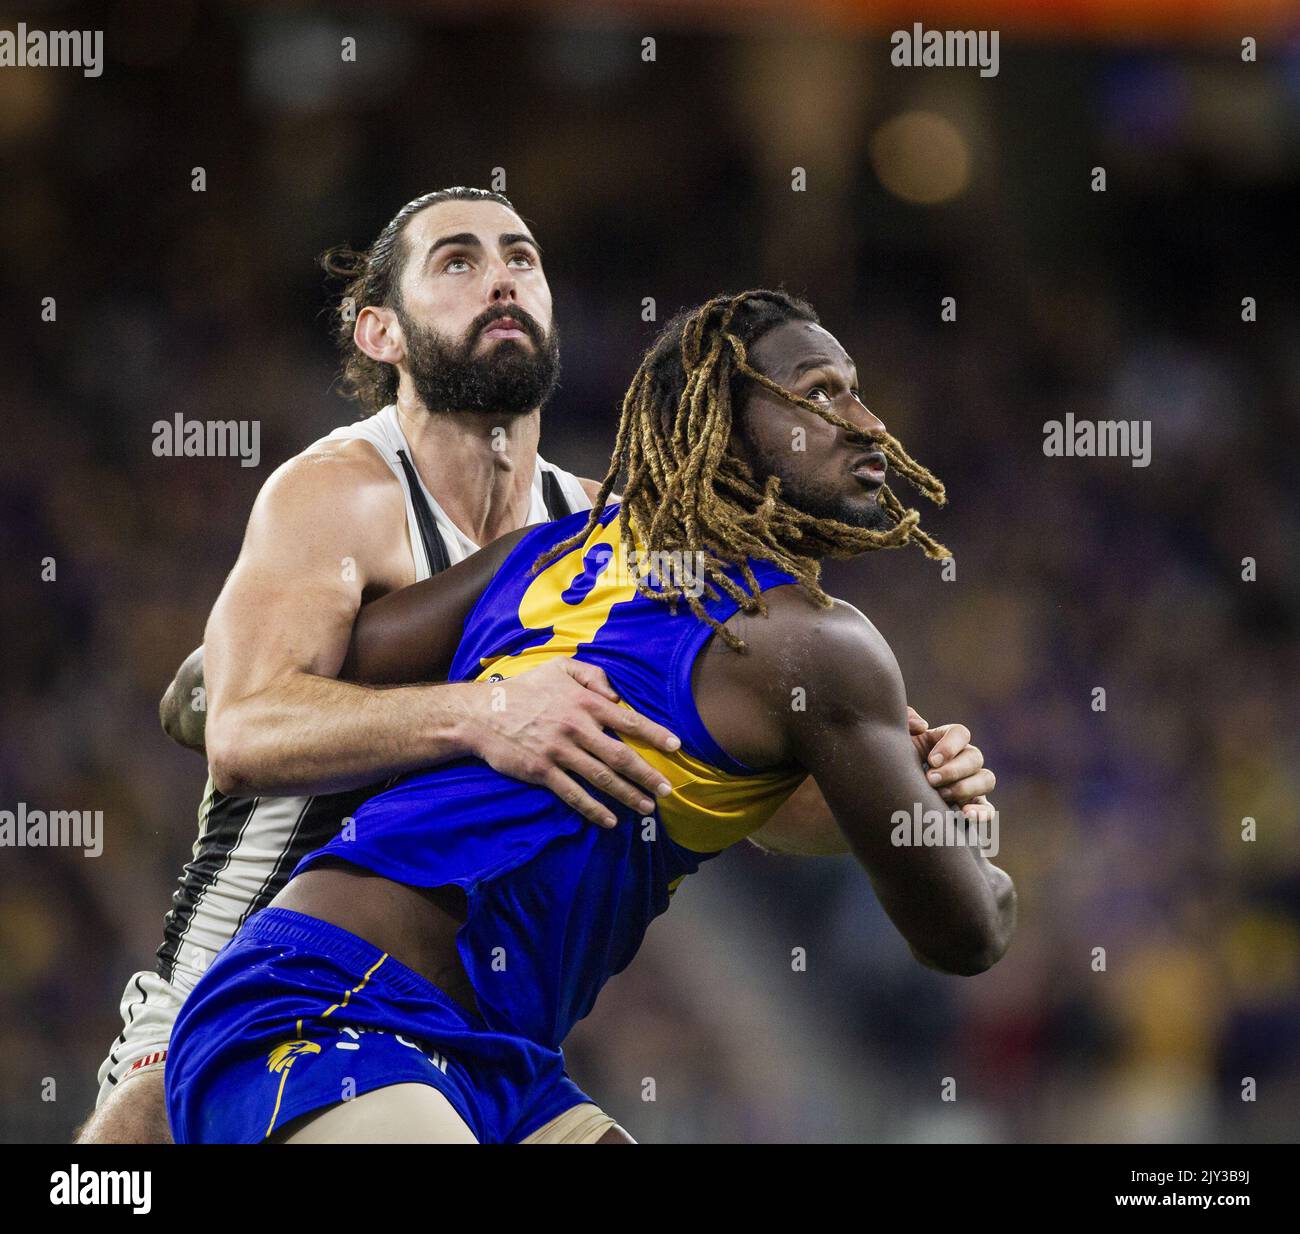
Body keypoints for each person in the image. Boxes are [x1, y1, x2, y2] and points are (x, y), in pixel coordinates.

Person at [164, 290, 1014, 1145]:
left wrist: (898, 799)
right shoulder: (820, 645)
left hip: (500, 1065)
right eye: (821, 393)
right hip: (325, 1002)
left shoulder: (551, 557)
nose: (869, 424)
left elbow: (201, 693)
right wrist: (964, 838)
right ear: (722, 427)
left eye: (856, 392)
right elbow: (968, 934)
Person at [77, 186, 684, 1144]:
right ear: (380, 332)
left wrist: (897, 763)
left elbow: (716, 753)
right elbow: (240, 732)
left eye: (521, 258)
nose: (500, 279)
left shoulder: (604, 529)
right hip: (248, 984)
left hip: (471, 1027)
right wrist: (484, 713)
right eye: (457, 261)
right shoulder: (339, 495)